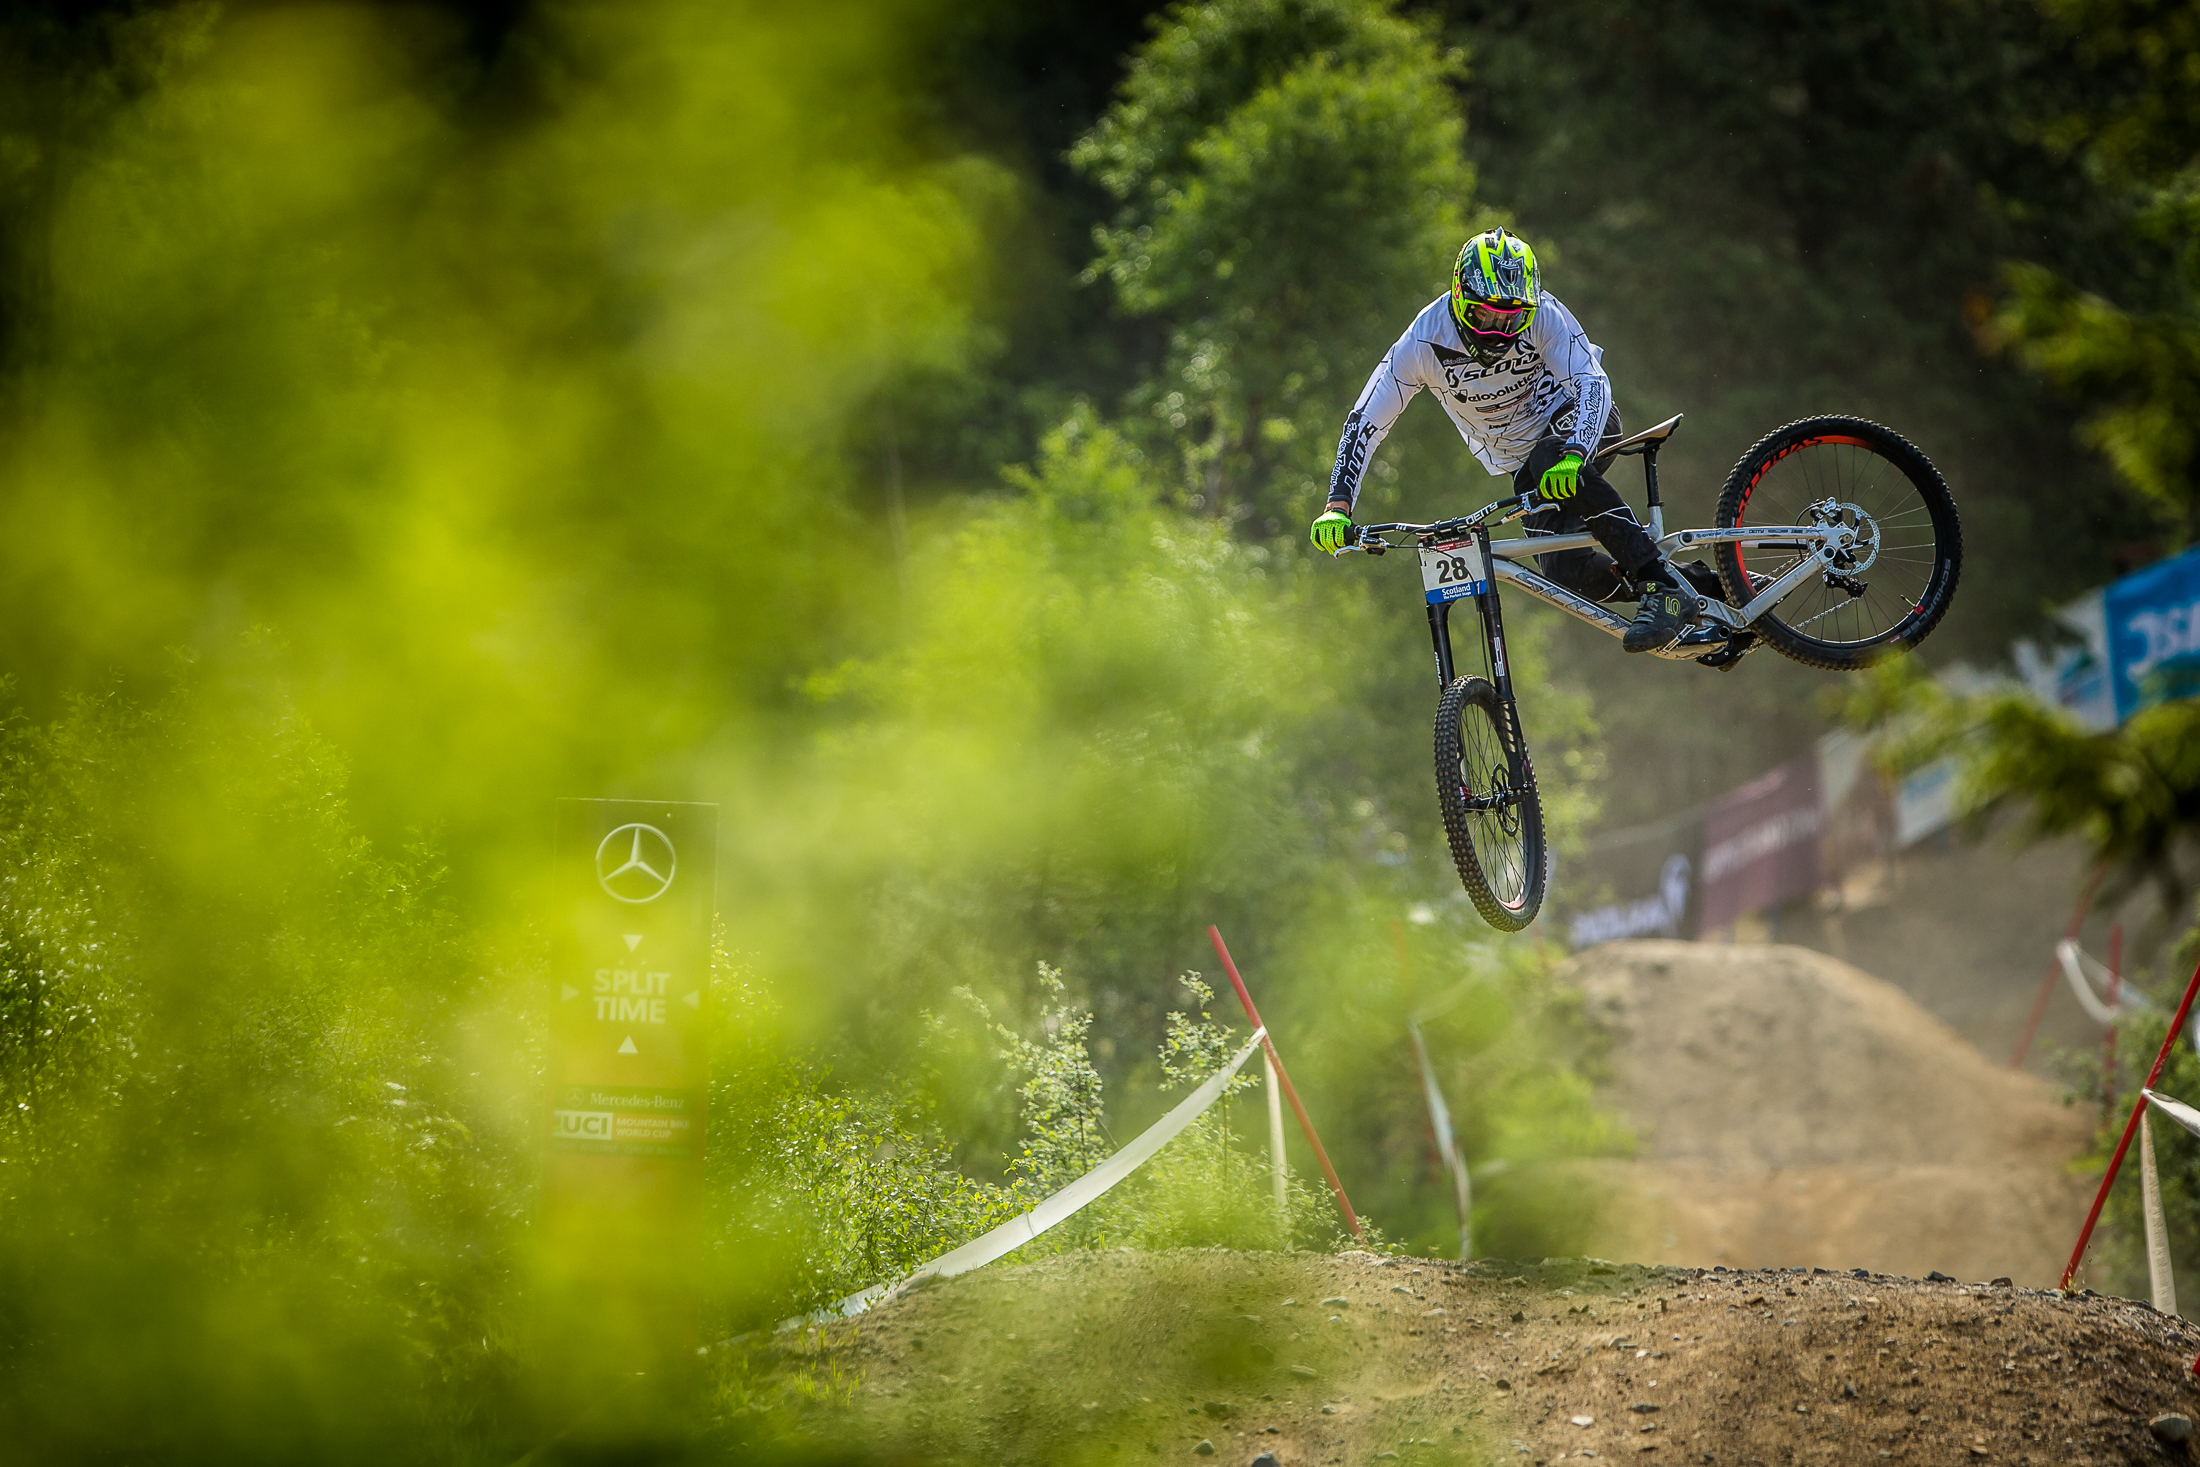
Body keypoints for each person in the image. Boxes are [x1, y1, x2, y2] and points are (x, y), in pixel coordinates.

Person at [1310, 228, 1718, 654]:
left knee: (1548, 459)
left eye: (1511, 319)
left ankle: (1662, 584)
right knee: (1565, 571)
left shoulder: (1544, 314)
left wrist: (1576, 452)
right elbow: (1365, 423)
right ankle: (1708, 587)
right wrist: (1337, 507)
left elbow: (1592, 385)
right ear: (1459, 296)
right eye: (1486, 316)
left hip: (1579, 424)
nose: (1499, 332)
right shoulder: (1422, 342)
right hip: (1526, 464)